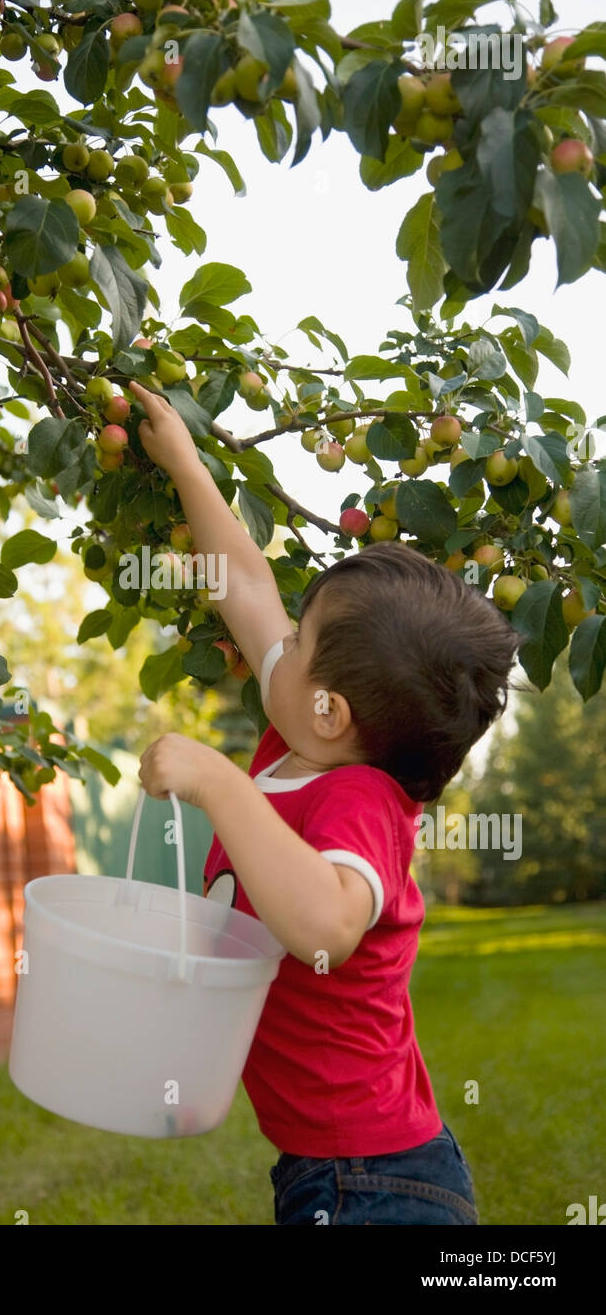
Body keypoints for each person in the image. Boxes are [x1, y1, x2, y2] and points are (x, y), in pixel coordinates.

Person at [129, 380, 519, 1226]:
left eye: (301, 644)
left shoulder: (360, 801)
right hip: (338, 1169)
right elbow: (248, 593)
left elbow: (324, 927)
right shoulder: (300, 741)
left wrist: (220, 782)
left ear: (331, 710)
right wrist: (188, 465)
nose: (282, 644)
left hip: (374, 1181)